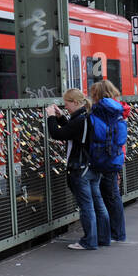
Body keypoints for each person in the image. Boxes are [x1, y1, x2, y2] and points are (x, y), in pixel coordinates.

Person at [47, 89, 109, 250]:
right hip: (94, 167)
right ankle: (103, 237)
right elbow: (72, 132)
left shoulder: (80, 120)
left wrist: (51, 117)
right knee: (98, 203)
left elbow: (58, 134)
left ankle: (89, 241)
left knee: (86, 206)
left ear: (75, 103)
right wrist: (61, 117)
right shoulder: (87, 117)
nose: (65, 107)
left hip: (81, 169)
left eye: (66, 104)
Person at [88, 80, 127, 244]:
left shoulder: (99, 111)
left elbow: (95, 132)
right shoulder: (118, 109)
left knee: (108, 195)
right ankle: (116, 232)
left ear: (97, 95)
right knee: (112, 195)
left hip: (102, 157)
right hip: (115, 156)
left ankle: (115, 233)